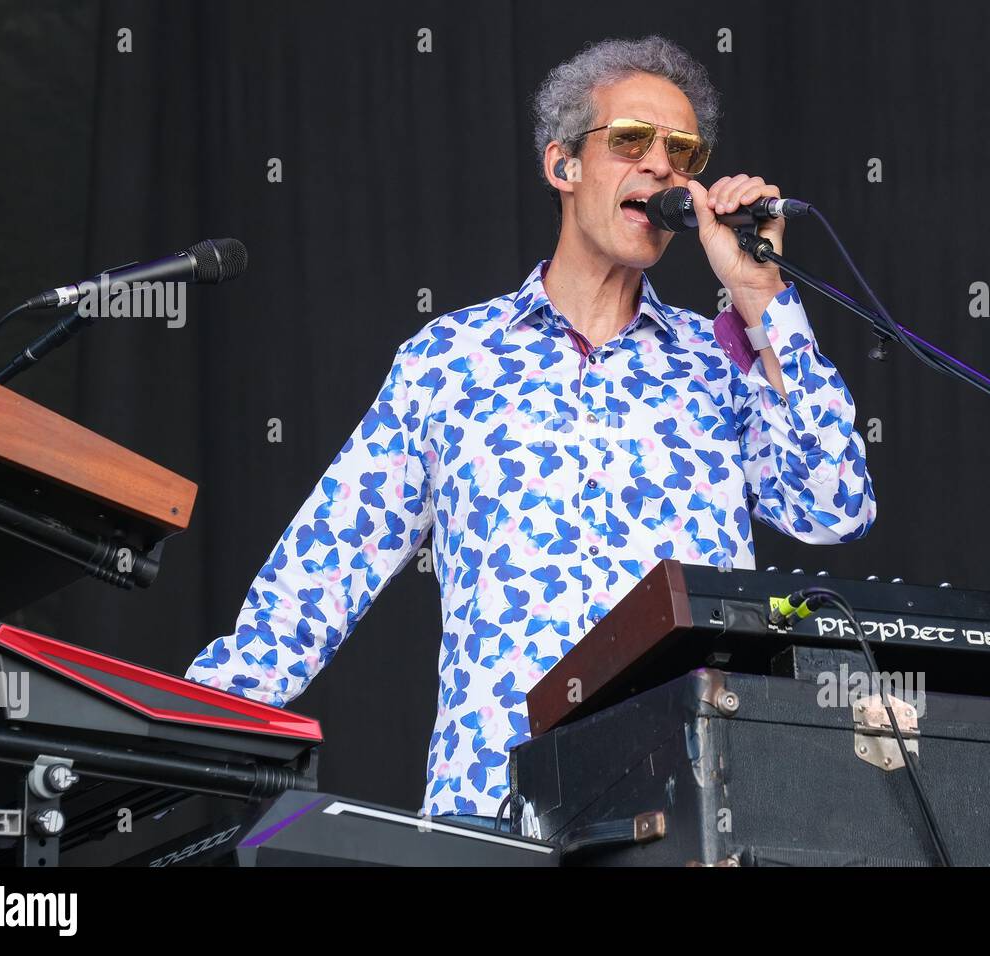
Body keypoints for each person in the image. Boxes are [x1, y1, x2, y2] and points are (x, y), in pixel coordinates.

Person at [184, 35, 876, 828]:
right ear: (563, 166)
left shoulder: (719, 359)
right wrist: (172, 723)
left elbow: (834, 507)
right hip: (493, 807)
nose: (660, 166)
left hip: (692, 805)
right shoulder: (450, 359)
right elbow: (325, 566)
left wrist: (761, 295)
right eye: (629, 141)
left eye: (682, 152)